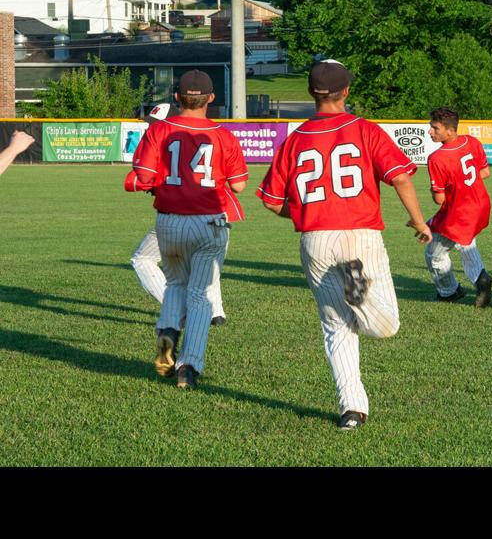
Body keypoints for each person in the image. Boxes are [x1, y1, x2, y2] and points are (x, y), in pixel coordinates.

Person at [257, 59, 433, 430]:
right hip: (360, 234)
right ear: (347, 91)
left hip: (315, 240)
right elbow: (401, 178)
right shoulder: (364, 129)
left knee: (336, 326)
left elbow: (271, 201)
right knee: (386, 326)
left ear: (311, 92)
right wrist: (419, 220)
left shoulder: (295, 139)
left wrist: (307, 214)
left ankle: (351, 409)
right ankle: (361, 295)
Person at [123, 71, 249, 389]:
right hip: (208, 221)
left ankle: (168, 330)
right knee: (199, 295)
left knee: (175, 284)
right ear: (211, 99)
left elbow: (144, 176)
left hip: (169, 221)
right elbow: (239, 185)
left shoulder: (160, 130)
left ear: (177, 97)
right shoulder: (223, 135)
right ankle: (188, 367)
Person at [128, 102, 230, 326]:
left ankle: (179, 309)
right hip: (218, 210)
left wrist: (153, 184)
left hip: (181, 214)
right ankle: (216, 313)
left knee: (142, 259)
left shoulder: (166, 145)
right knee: (205, 260)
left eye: (156, 124)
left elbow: (138, 179)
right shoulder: (205, 136)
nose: (152, 128)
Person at [423, 106, 492, 307]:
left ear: (450, 130)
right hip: (479, 204)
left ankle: (450, 291)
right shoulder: (472, 141)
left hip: (460, 211)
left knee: (434, 253)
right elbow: (485, 172)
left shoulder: (437, 158)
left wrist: (436, 190)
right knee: (466, 242)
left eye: (435, 128)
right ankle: (480, 279)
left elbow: (439, 199)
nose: (430, 131)